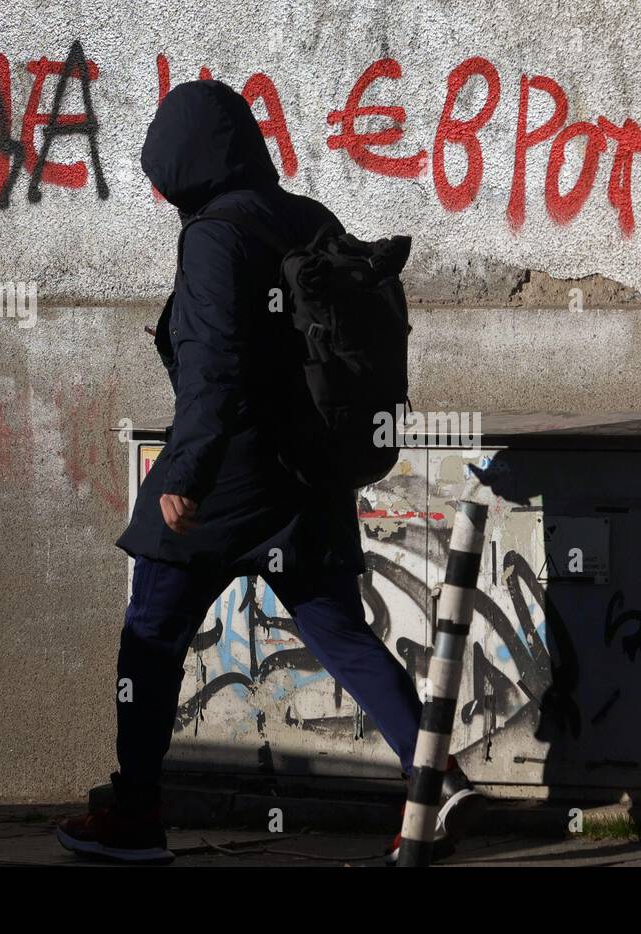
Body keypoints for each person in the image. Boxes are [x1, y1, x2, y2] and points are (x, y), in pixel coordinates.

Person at [56, 79, 484, 865]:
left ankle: (138, 816)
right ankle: (438, 781)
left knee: (151, 634)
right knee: (342, 632)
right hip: (309, 474)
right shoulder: (308, 217)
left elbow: (215, 364)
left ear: (184, 155)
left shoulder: (216, 236)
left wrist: (186, 472)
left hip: (231, 476)